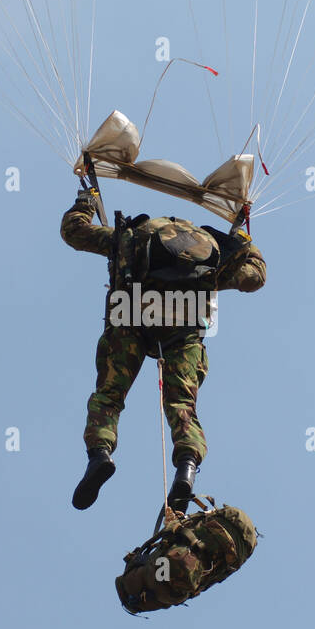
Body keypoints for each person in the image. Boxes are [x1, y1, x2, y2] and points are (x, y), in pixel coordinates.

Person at [61, 188, 266, 511]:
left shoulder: (129, 238)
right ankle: (186, 468)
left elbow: (73, 231)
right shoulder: (210, 256)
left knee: (109, 395)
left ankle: (99, 454)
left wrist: (86, 200)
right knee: (182, 404)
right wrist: (242, 237)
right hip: (182, 327)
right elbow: (255, 278)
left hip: (130, 314)